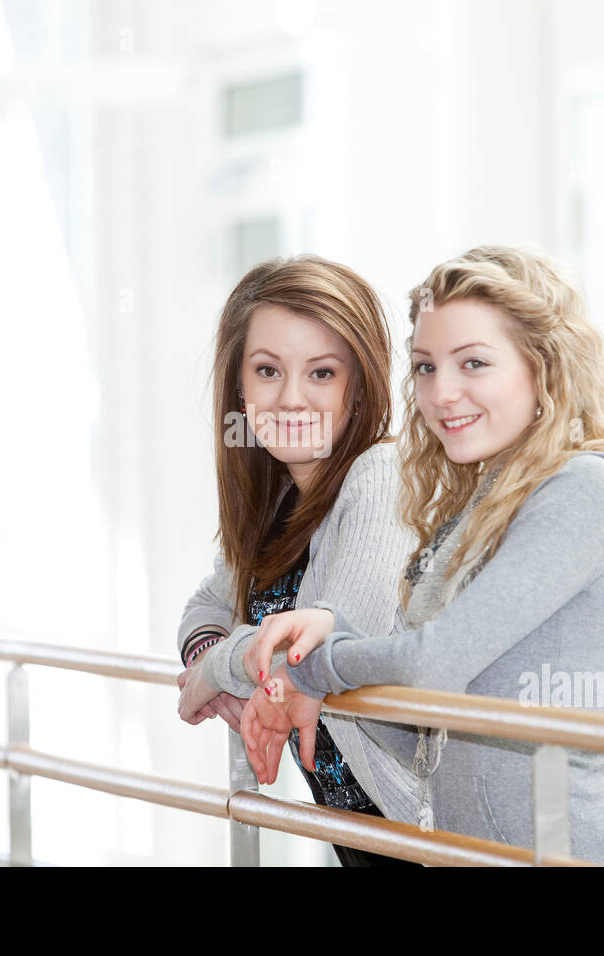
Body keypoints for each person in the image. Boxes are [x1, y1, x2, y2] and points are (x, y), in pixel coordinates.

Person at [240, 244, 604, 866]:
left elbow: (434, 663)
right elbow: (425, 735)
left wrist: (317, 665)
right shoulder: (478, 504)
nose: (442, 393)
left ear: (543, 367)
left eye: (473, 363)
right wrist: (328, 653)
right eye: (424, 367)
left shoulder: (584, 488)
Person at [174, 254, 419, 866]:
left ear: (357, 385)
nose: (290, 399)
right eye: (267, 370)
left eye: (321, 373)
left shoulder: (379, 475)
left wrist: (219, 670)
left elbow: (321, 652)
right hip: (360, 837)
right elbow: (209, 604)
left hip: (429, 834)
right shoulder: (279, 498)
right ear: (239, 385)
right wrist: (213, 658)